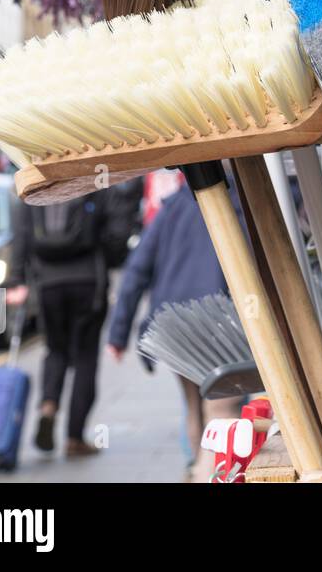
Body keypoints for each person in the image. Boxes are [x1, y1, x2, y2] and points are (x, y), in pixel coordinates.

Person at [106, 179, 237, 482]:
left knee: (194, 406)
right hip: (220, 323)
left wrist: (117, 335)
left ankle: (195, 467)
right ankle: (207, 474)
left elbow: (136, 270)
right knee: (220, 411)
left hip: (175, 326)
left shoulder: (172, 208)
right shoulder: (235, 204)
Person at [7, 189, 131, 458]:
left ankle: (48, 406)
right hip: (89, 280)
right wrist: (105, 256)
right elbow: (119, 229)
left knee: (55, 350)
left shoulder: (35, 182)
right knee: (86, 358)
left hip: (48, 283)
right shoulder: (91, 179)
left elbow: (21, 234)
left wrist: (17, 279)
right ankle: (75, 439)